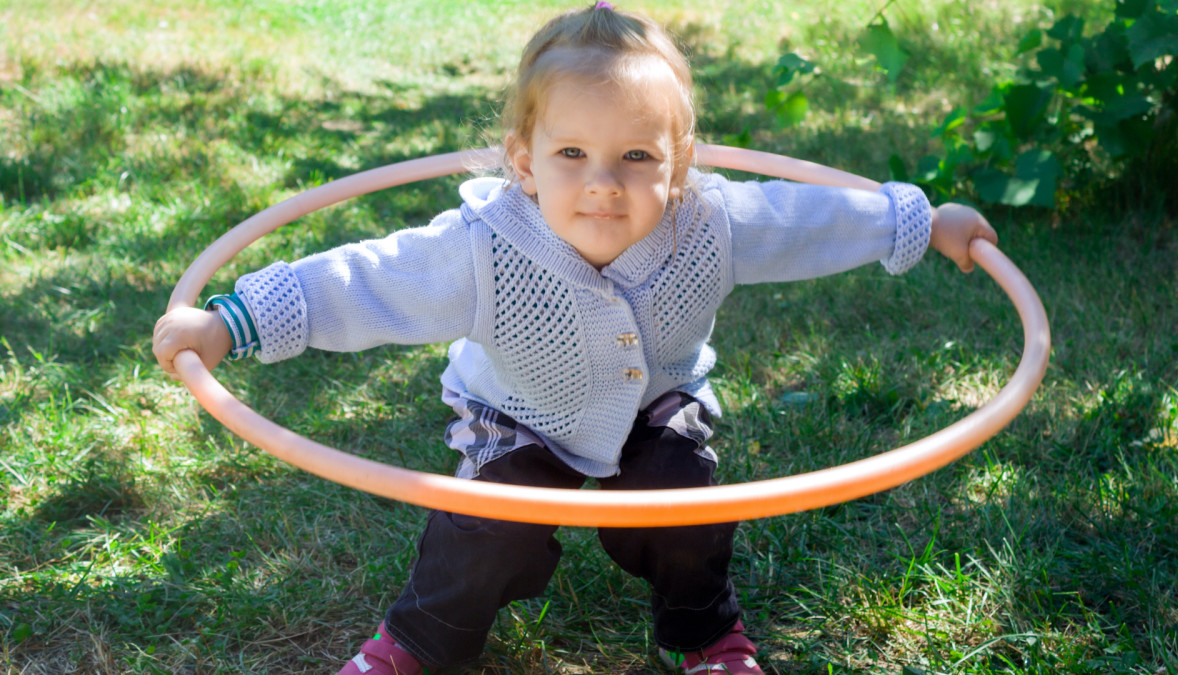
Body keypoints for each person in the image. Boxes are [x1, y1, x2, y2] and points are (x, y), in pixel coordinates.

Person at [153, 3, 998, 673]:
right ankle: (415, 639)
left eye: (636, 154)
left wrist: (918, 224)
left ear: (682, 160)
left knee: (683, 492)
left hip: (657, 398)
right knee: (483, 524)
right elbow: (365, 280)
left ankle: (705, 635)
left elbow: (813, 218)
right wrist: (232, 322)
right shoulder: (480, 244)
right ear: (523, 163)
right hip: (514, 410)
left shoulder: (715, 221)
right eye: (571, 152)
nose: (603, 184)